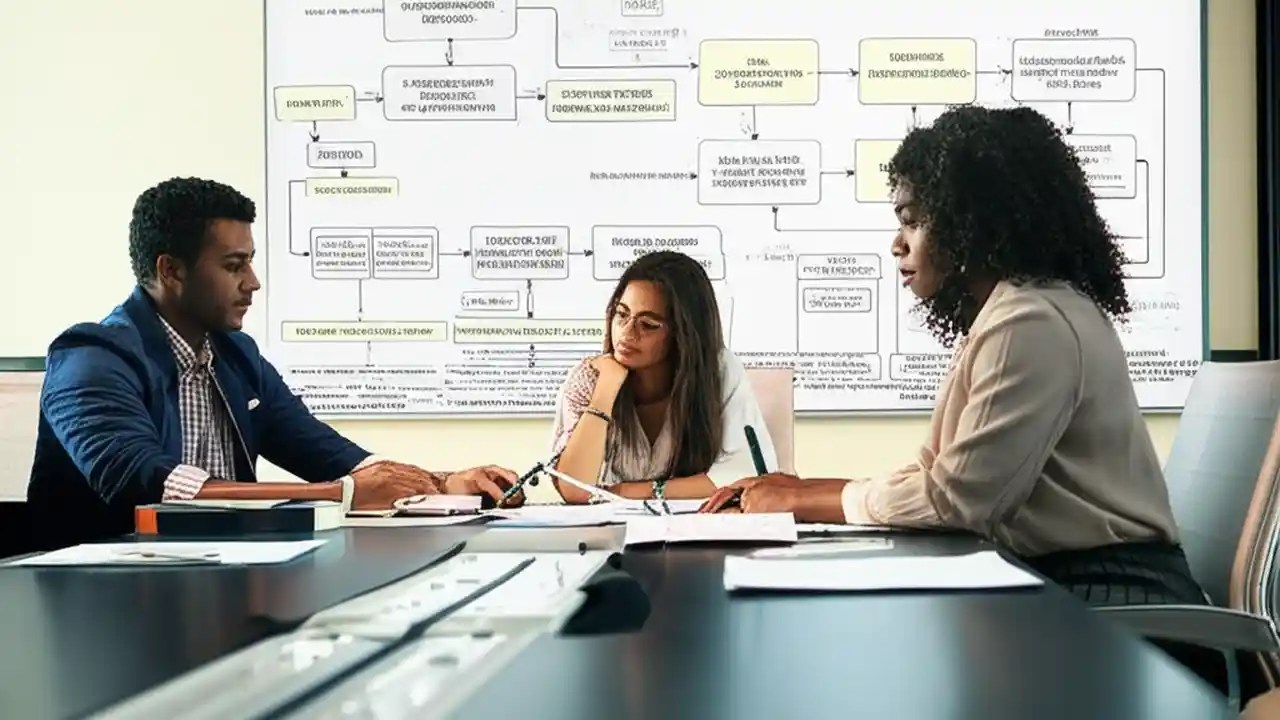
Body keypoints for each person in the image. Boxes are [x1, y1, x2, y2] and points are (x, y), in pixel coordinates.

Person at [702, 105, 1211, 604]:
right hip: (1068, 577)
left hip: (1119, 595)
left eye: (914, 220)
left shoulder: (1029, 323)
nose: (897, 244)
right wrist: (799, 489)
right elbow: (936, 475)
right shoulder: (1016, 311)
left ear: (972, 223)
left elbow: (955, 502)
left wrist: (799, 501)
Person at [27, 177, 521, 549]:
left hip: (220, 576)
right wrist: (340, 494)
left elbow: (326, 453)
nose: (253, 282)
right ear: (170, 270)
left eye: (250, 262)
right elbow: (146, 480)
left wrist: (441, 484)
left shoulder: (235, 355)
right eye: (234, 266)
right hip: (101, 597)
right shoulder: (91, 356)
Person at [548, 250, 776, 503]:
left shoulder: (718, 370)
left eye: (648, 324)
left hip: (694, 532)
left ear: (683, 334)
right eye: (621, 314)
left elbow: (746, 475)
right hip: (611, 534)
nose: (627, 333)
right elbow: (574, 489)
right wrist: (605, 391)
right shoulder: (590, 378)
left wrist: (625, 492)